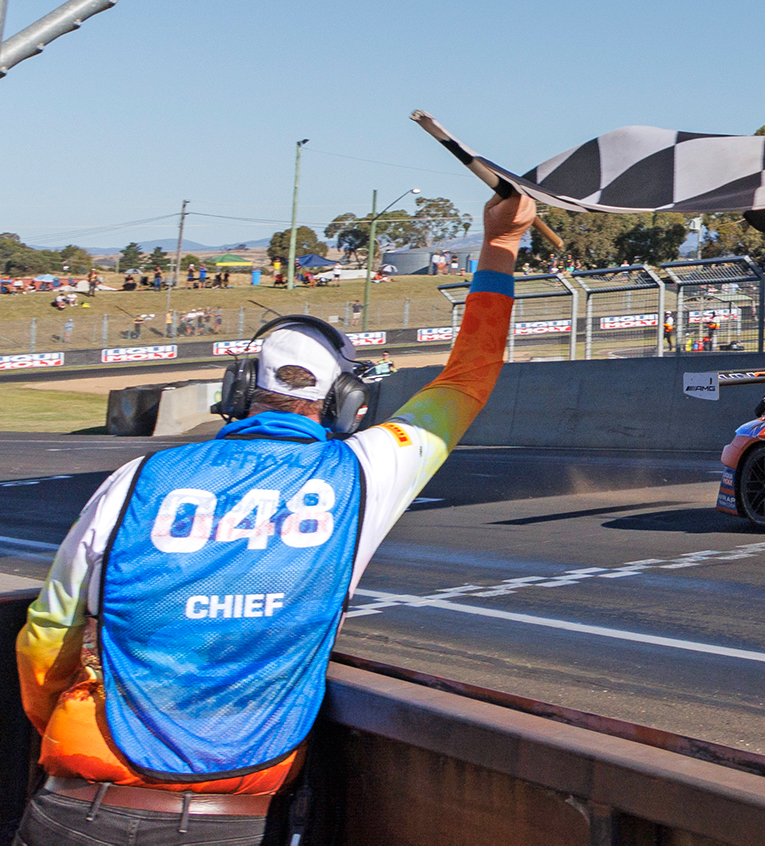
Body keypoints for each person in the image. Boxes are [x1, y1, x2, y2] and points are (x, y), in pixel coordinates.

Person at [12, 195, 535, 846]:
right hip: (238, 818)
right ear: (347, 402)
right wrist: (500, 247)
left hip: (81, 800)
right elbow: (468, 378)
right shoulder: (364, 473)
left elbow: (45, 641)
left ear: (238, 390)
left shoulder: (135, 481)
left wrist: (59, 727)